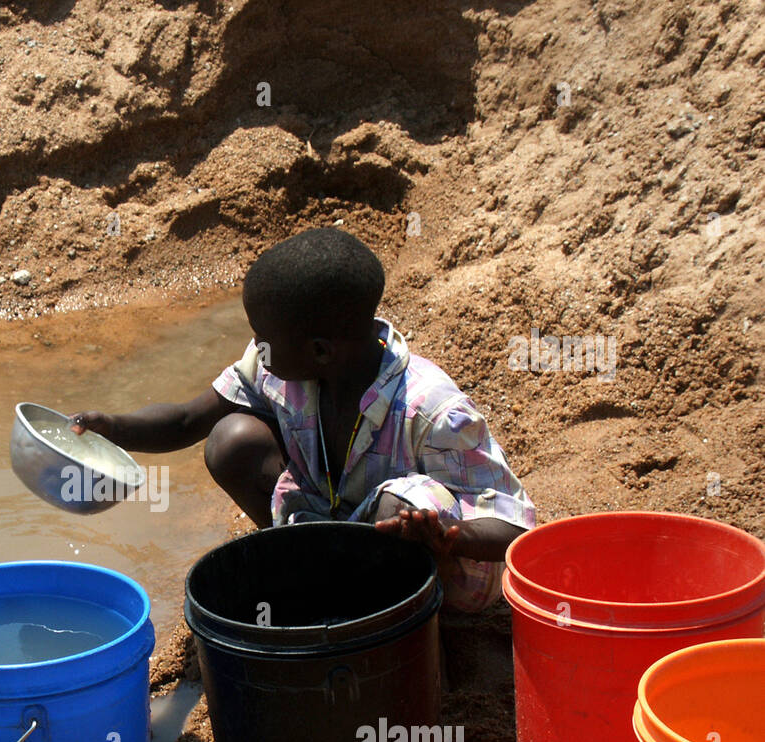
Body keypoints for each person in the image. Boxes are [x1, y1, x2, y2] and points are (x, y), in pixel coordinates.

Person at [68, 227, 534, 611]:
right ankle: (310, 574)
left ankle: (411, 633)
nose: (256, 346)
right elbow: (190, 419)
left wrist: (446, 535)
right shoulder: (281, 369)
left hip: (445, 570)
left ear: (319, 351)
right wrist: (114, 427)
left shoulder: (429, 409)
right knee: (231, 440)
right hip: (343, 533)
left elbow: (518, 530)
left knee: (405, 504)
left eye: (263, 336)